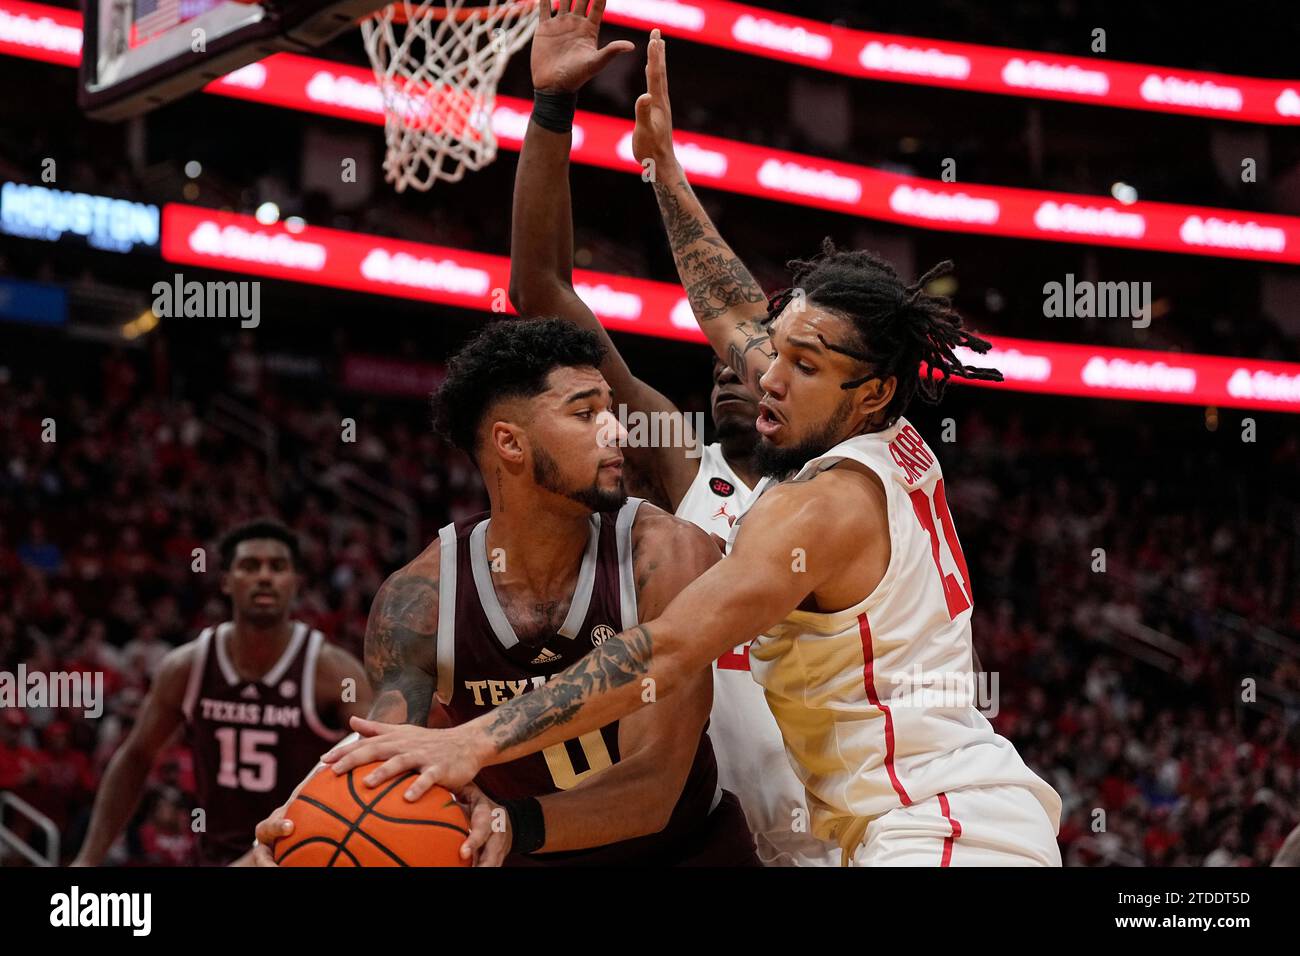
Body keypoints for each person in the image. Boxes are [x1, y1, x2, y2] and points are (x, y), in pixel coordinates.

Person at [321, 34, 1064, 868]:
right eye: (769, 351)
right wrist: (661, 170)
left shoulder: (824, 502)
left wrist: (478, 742)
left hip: (934, 825)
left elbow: (665, 651)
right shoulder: (812, 415)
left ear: (873, 390)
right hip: (830, 835)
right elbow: (713, 307)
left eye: (798, 363)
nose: (763, 372)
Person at [508, 0, 835, 866]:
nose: (734, 368)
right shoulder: (683, 464)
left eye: (760, 359)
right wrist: (551, 107)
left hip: (861, 828)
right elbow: (542, 288)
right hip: (716, 831)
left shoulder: (845, 481)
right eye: (725, 361)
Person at [255, 319, 758, 866]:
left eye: (611, 409)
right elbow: (387, 758)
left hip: (682, 852)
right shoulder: (421, 598)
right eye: (586, 413)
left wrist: (508, 824)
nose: (617, 431)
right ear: (510, 442)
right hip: (526, 854)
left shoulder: (665, 554)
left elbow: (653, 787)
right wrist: (302, 820)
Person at [74, 520, 371, 866]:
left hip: (300, 856)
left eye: (277, 567)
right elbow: (136, 756)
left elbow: (371, 759)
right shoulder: (188, 666)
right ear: (226, 581)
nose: (264, 577)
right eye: (249, 566)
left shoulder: (333, 671)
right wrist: (87, 859)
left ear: (295, 582)